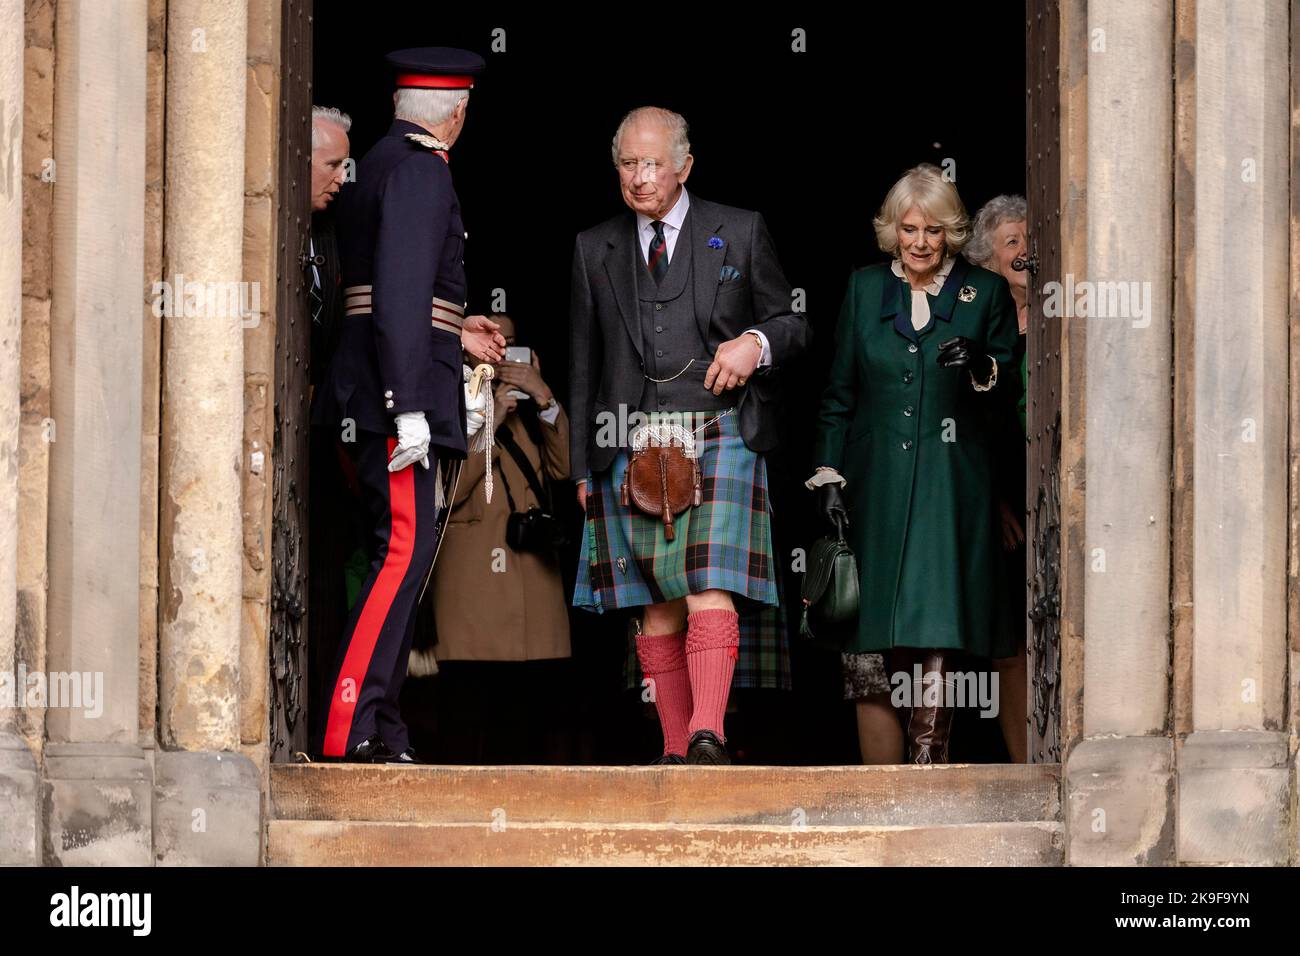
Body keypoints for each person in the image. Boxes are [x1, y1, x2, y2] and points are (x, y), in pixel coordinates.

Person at [569, 106, 810, 764]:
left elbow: (794, 324)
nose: (640, 178)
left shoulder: (738, 230)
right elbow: (584, 364)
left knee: (710, 581)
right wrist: (584, 472)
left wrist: (754, 344)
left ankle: (709, 733)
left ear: (684, 166)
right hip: (630, 438)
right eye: (627, 164)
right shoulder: (596, 247)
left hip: (722, 430)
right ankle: (677, 752)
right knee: (656, 604)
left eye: (652, 164)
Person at [310, 47, 506, 763]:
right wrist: (409, 405)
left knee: (404, 556)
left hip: (382, 388)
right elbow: (396, 293)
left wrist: (454, 333)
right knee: (400, 554)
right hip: (397, 402)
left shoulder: (379, 166)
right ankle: (349, 727)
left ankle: (382, 724)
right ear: (456, 114)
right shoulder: (421, 168)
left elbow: (406, 299)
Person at [811, 164, 1019, 765]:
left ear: (951, 231)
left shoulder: (985, 293)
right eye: (909, 229)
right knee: (867, 643)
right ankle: (883, 795)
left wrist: (983, 363)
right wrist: (828, 478)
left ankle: (930, 779)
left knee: (936, 630)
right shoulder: (864, 288)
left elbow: (1007, 397)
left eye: (933, 230)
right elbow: (838, 396)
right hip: (874, 489)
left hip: (949, 491)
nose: (921, 242)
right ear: (892, 231)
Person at [966, 194, 1030, 763]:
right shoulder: (980, 328)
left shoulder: (1065, 312)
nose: (1026, 251)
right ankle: (1024, 770)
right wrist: (997, 501)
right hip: (1002, 496)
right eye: (1013, 242)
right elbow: (971, 427)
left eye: (1032, 239)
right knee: (1013, 649)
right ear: (986, 261)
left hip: (1062, 494)